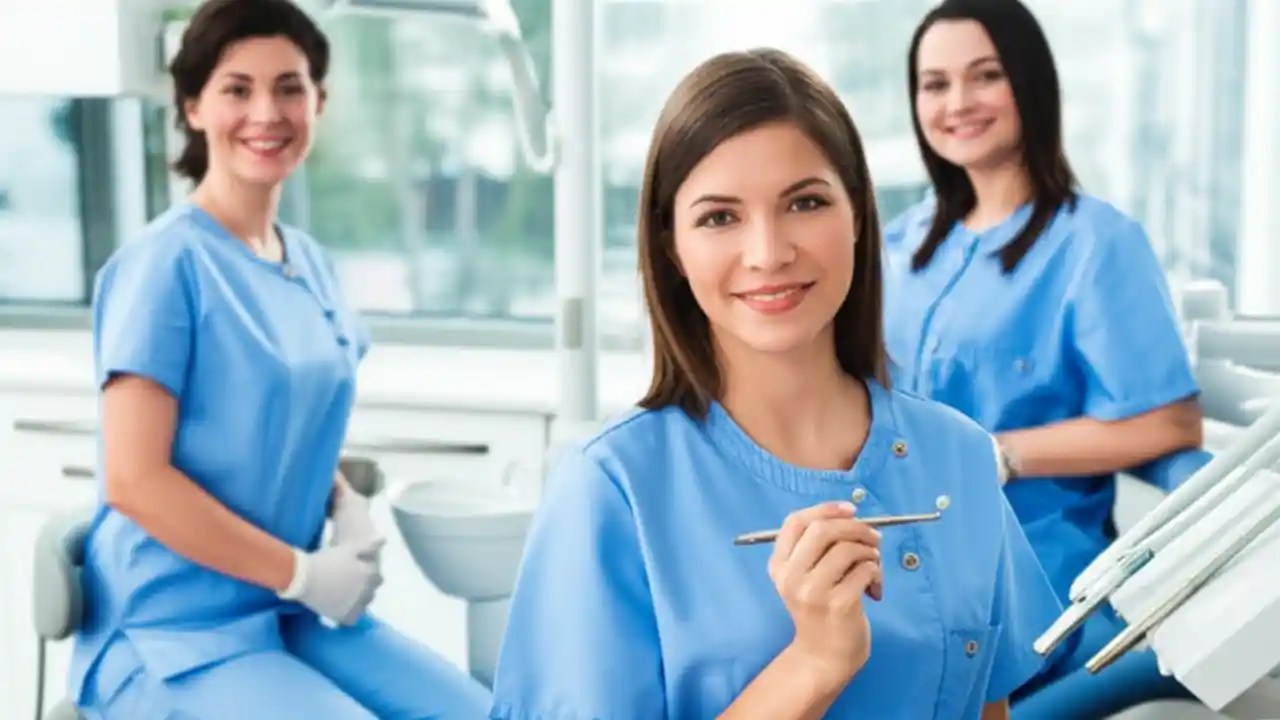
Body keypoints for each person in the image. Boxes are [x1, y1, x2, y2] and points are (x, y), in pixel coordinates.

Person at [489, 48, 1061, 720]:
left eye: (805, 202)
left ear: (857, 215)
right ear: (672, 247)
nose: (768, 253)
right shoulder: (611, 488)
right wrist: (812, 664)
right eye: (719, 217)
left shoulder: (957, 457)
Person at [67, 1, 490, 717]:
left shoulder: (308, 262)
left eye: (289, 87)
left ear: (318, 102)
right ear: (193, 106)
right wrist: (301, 572)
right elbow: (136, 480)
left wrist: (344, 505)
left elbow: (277, 431)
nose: (266, 112)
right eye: (237, 89)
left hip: (285, 615)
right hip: (171, 634)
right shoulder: (166, 265)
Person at [883, 0, 1206, 716]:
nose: (958, 102)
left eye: (985, 75)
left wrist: (1000, 454)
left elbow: (1171, 424)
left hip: (1031, 577)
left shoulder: (1096, 244)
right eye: (935, 84)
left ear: (1030, 82)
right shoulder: (901, 245)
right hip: (901, 565)